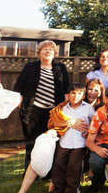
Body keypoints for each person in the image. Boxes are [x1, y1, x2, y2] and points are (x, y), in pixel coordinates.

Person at [14, 40, 70, 169]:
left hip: (52, 112)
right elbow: (19, 86)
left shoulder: (60, 68)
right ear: (39, 53)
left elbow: (66, 89)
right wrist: (20, 104)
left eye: (50, 49)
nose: (47, 51)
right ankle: (30, 170)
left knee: (50, 141)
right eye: (44, 49)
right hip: (32, 111)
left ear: (54, 53)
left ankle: (48, 171)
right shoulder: (30, 67)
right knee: (32, 142)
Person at [47, 83, 95, 193]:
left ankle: (71, 191)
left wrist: (87, 132)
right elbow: (55, 122)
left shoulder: (87, 108)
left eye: (79, 93)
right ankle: (57, 190)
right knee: (59, 165)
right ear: (68, 95)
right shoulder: (62, 108)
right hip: (64, 142)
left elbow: (94, 123)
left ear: (83, 96)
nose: (75, 96)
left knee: (74, 167)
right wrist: (67, 123)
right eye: (73, 93)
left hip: (79, 143)